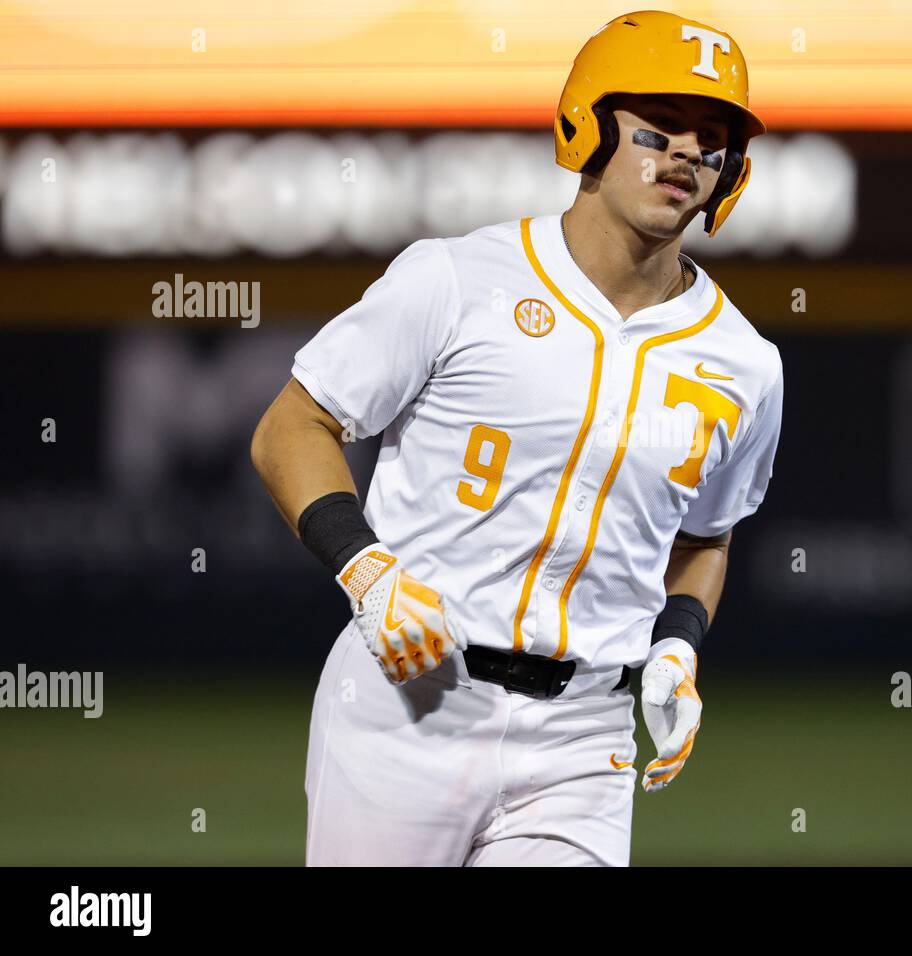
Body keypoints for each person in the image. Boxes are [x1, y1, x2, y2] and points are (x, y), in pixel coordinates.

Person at [250, 9, 783, 866]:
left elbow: (707, 537)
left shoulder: (745, 364)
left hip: (584, 740)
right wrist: (368, 568)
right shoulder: (458, 279)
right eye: (659, 127)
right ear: (588, 128)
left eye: (711, 139)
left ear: (732, 174)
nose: (686, 153)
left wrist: (678, 645)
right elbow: (291, 427)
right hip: (408, 704)